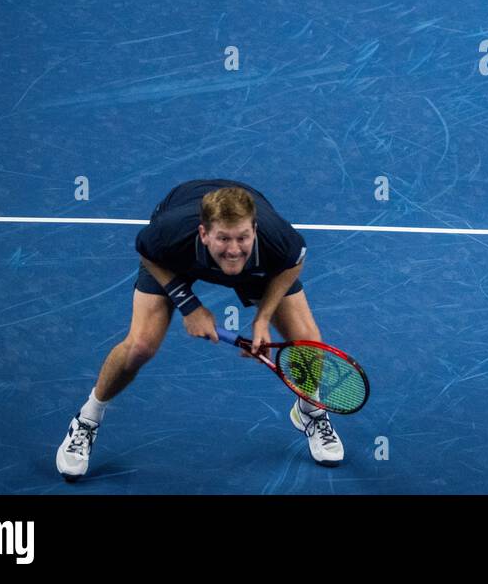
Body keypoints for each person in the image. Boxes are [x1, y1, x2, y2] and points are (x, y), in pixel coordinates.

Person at [55, 180, 343, 479]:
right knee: (140, 345)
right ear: (204, 234)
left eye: (243, 237)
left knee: (308, 342)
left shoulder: (276, 239)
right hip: (176, 261)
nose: (233, 250)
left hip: (256, 268)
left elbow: (294, 263)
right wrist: (189, 305)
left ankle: (309, 411)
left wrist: (262, 318)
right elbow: (146, 250)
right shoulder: (171, 232)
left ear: (254, 230)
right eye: (224, 239)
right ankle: (87, 419)